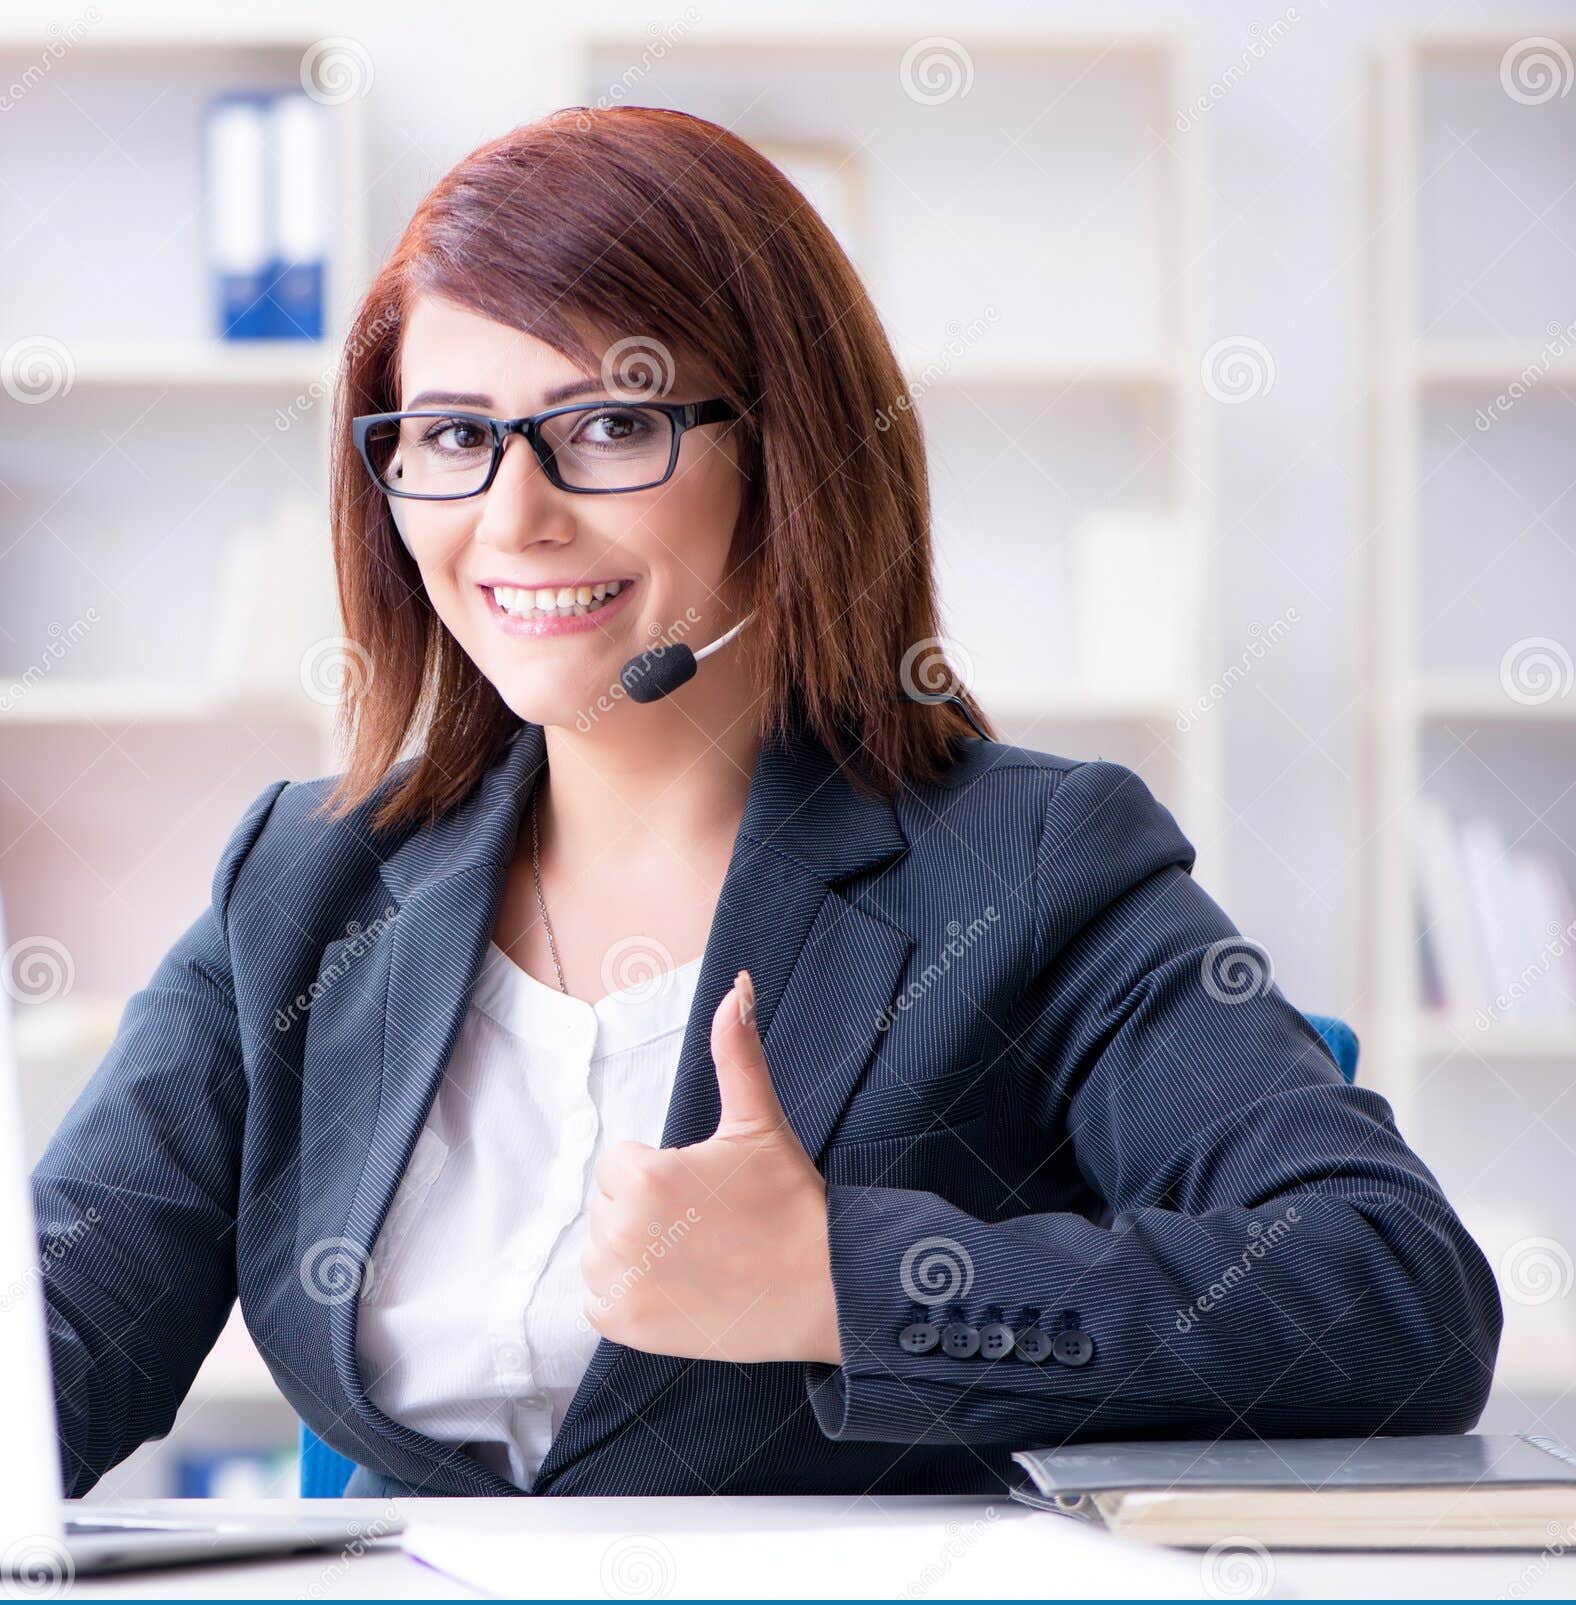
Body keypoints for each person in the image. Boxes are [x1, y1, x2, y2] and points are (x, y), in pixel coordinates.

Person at [34, 106, 1501, 1501]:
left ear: (790, 454)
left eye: (610, 425)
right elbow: (56, 1330)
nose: (513, 516)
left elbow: (1393, 1289)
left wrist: (836, 1279)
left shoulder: (1031, 866)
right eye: (453, 435)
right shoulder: (308, 880)